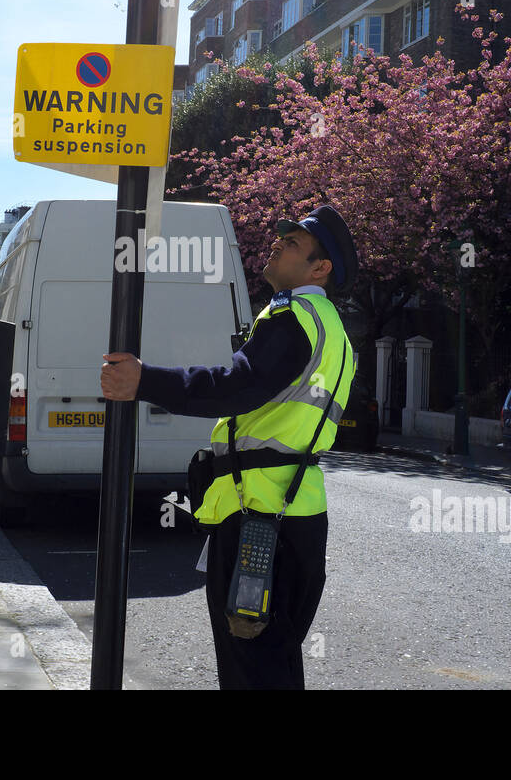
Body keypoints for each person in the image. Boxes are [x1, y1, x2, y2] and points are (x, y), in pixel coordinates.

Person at [101, 205, 357, 690]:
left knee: (250, 669)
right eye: (282, 235)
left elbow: (235, 386)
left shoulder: (293, 315)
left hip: (259, 517)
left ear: (320, 269)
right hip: (297, 514)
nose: (278, 243)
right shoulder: (333, 328)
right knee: (272, 664)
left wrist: (144, 380)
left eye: (294, 243)